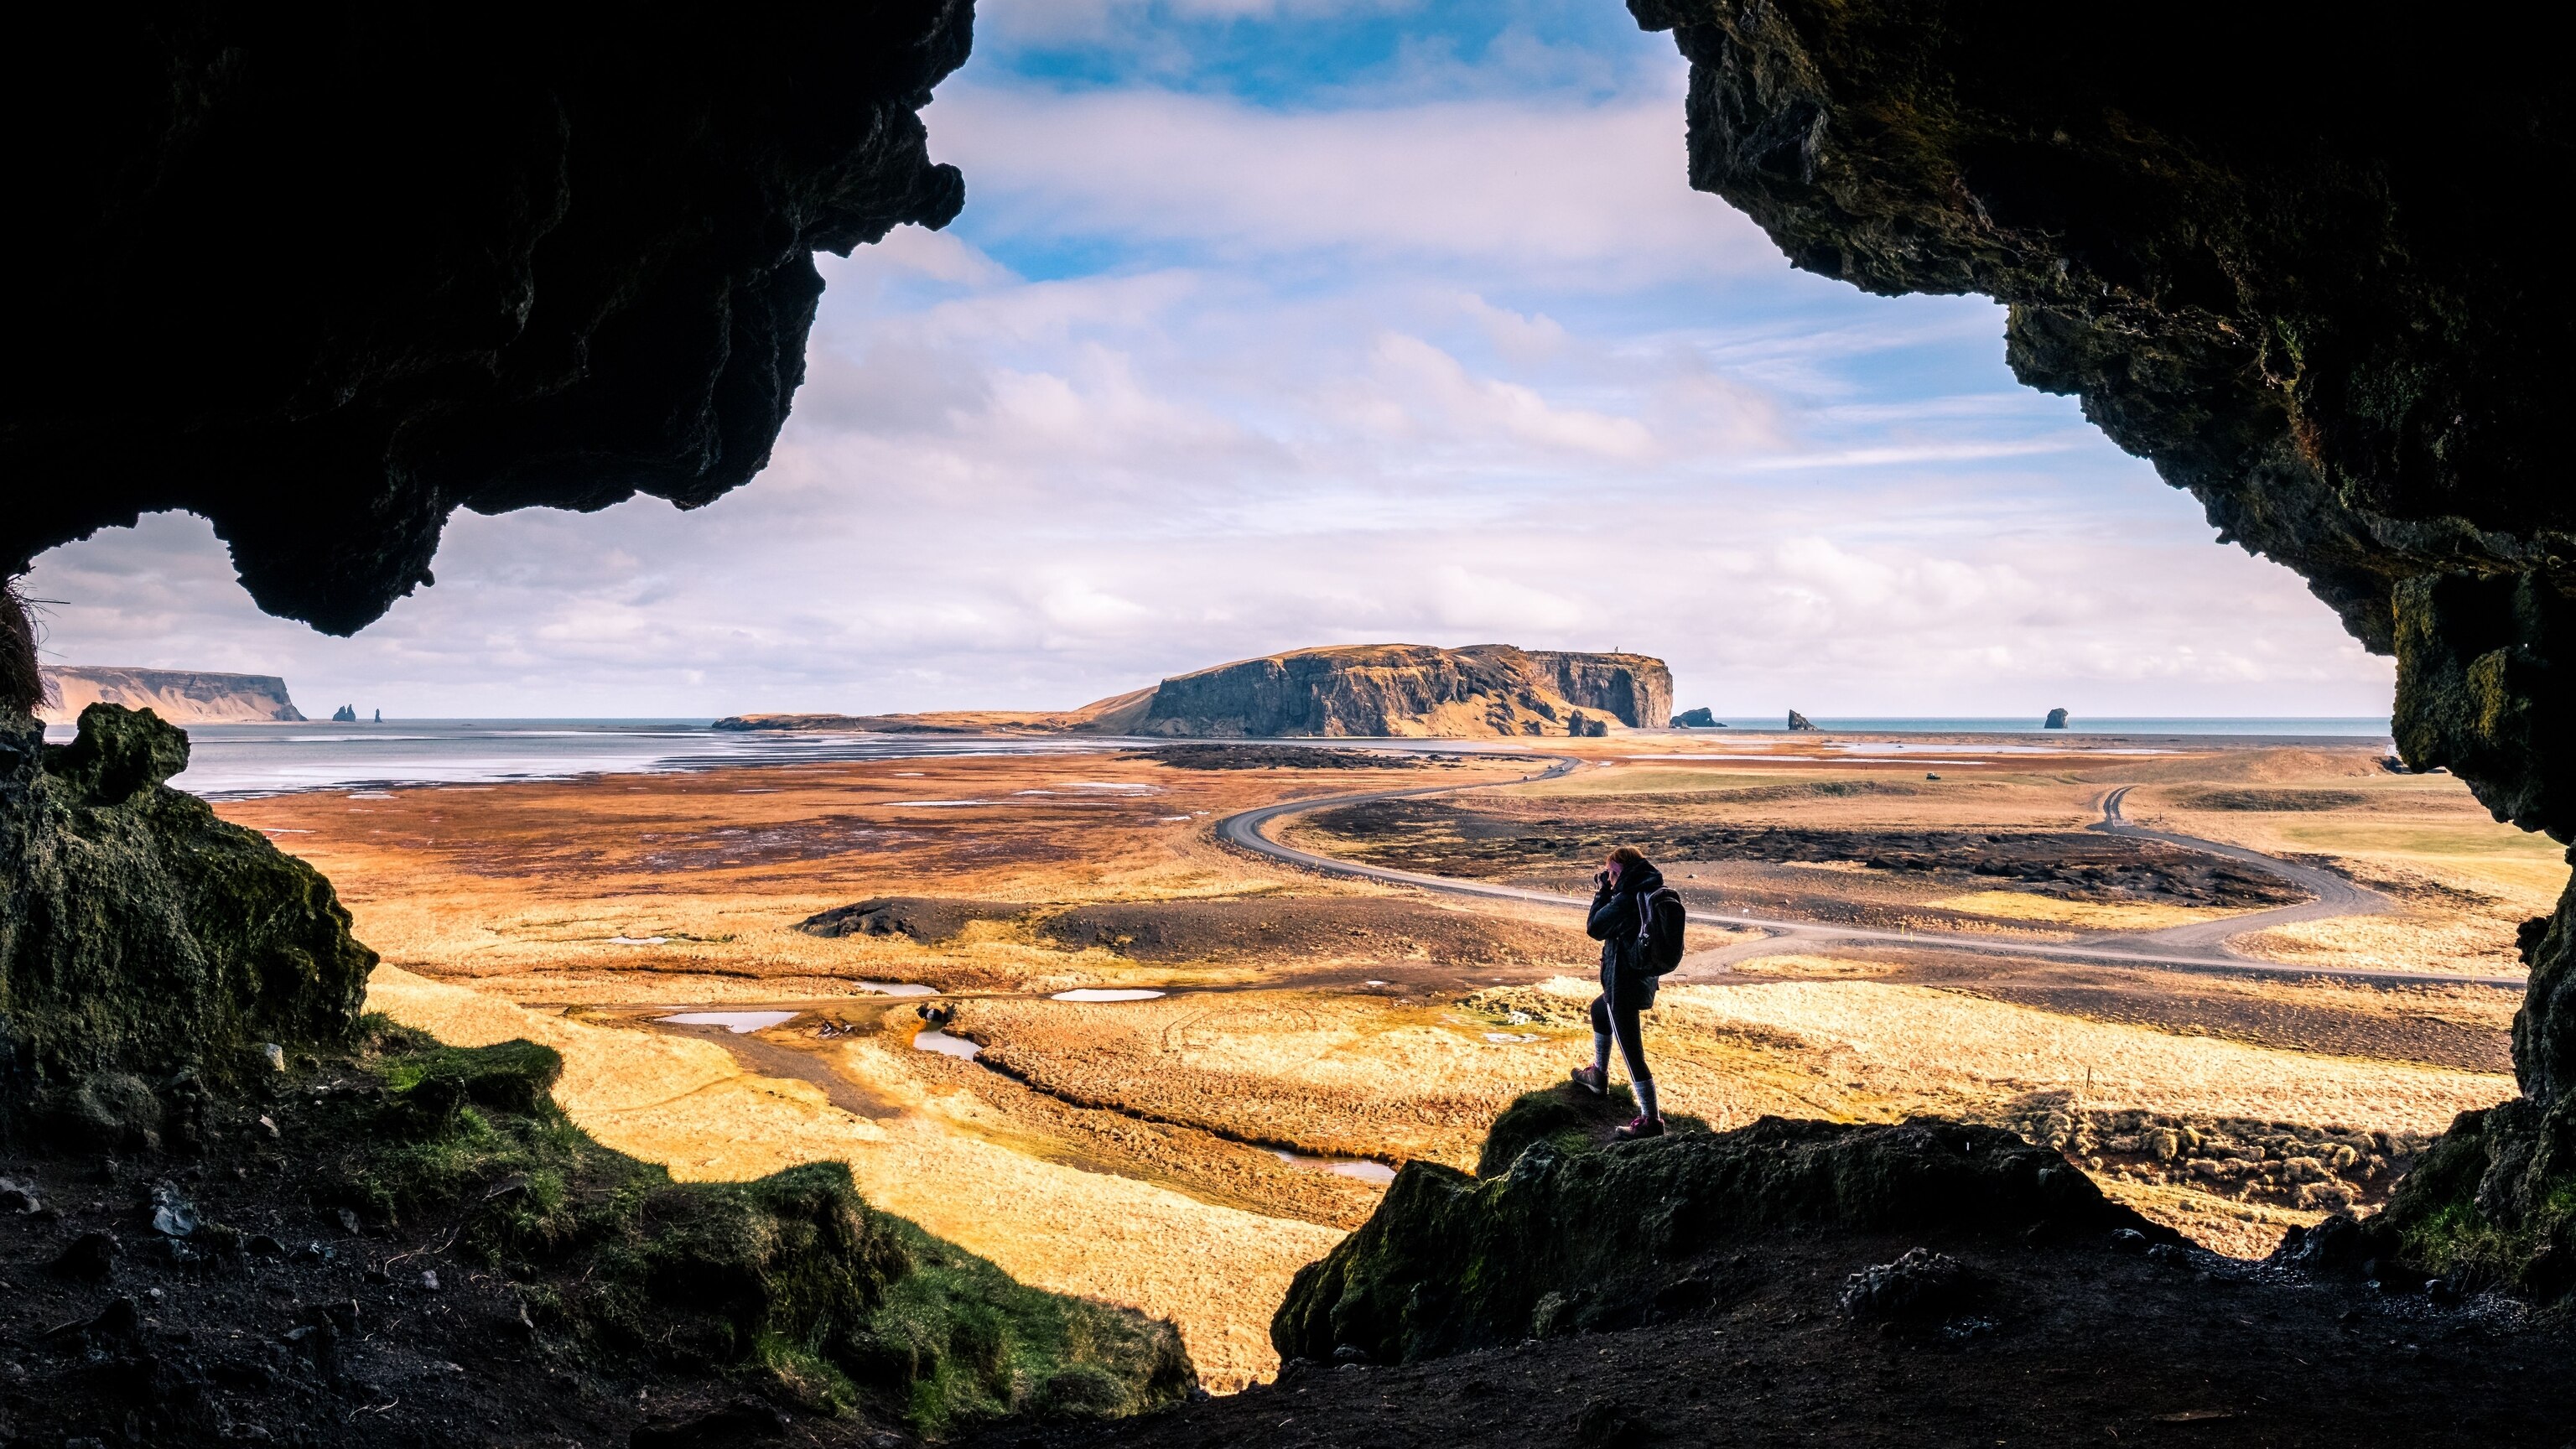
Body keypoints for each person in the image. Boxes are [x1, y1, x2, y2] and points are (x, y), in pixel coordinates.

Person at [1571, 844, 1666, 1139]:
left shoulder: (1626, 899)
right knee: (1600, 1009)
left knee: (1632, 1052)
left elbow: (1595, 927)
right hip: (1641, 977)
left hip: (1623, 983)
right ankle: (1597, 1075)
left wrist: (1602, 894)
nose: (1609, 878)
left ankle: (1651, 1120)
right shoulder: (1646, 890)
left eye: (1613, 873)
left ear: (1625, 871)